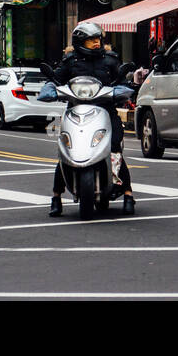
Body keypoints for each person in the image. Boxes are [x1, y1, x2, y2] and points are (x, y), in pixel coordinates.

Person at [48, 21, 134, 217]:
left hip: (104, 110)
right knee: (66, 151)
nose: (96, 43)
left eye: (98, 39)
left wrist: (124, 88)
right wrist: (50, 88)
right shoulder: (71, 61)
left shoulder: (110, 60)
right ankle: (56, 196)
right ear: (80, 42)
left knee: (114, 148)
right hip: (76, 110)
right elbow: (56, 79)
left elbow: (121, 80)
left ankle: (128, 194)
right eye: (91, 40)